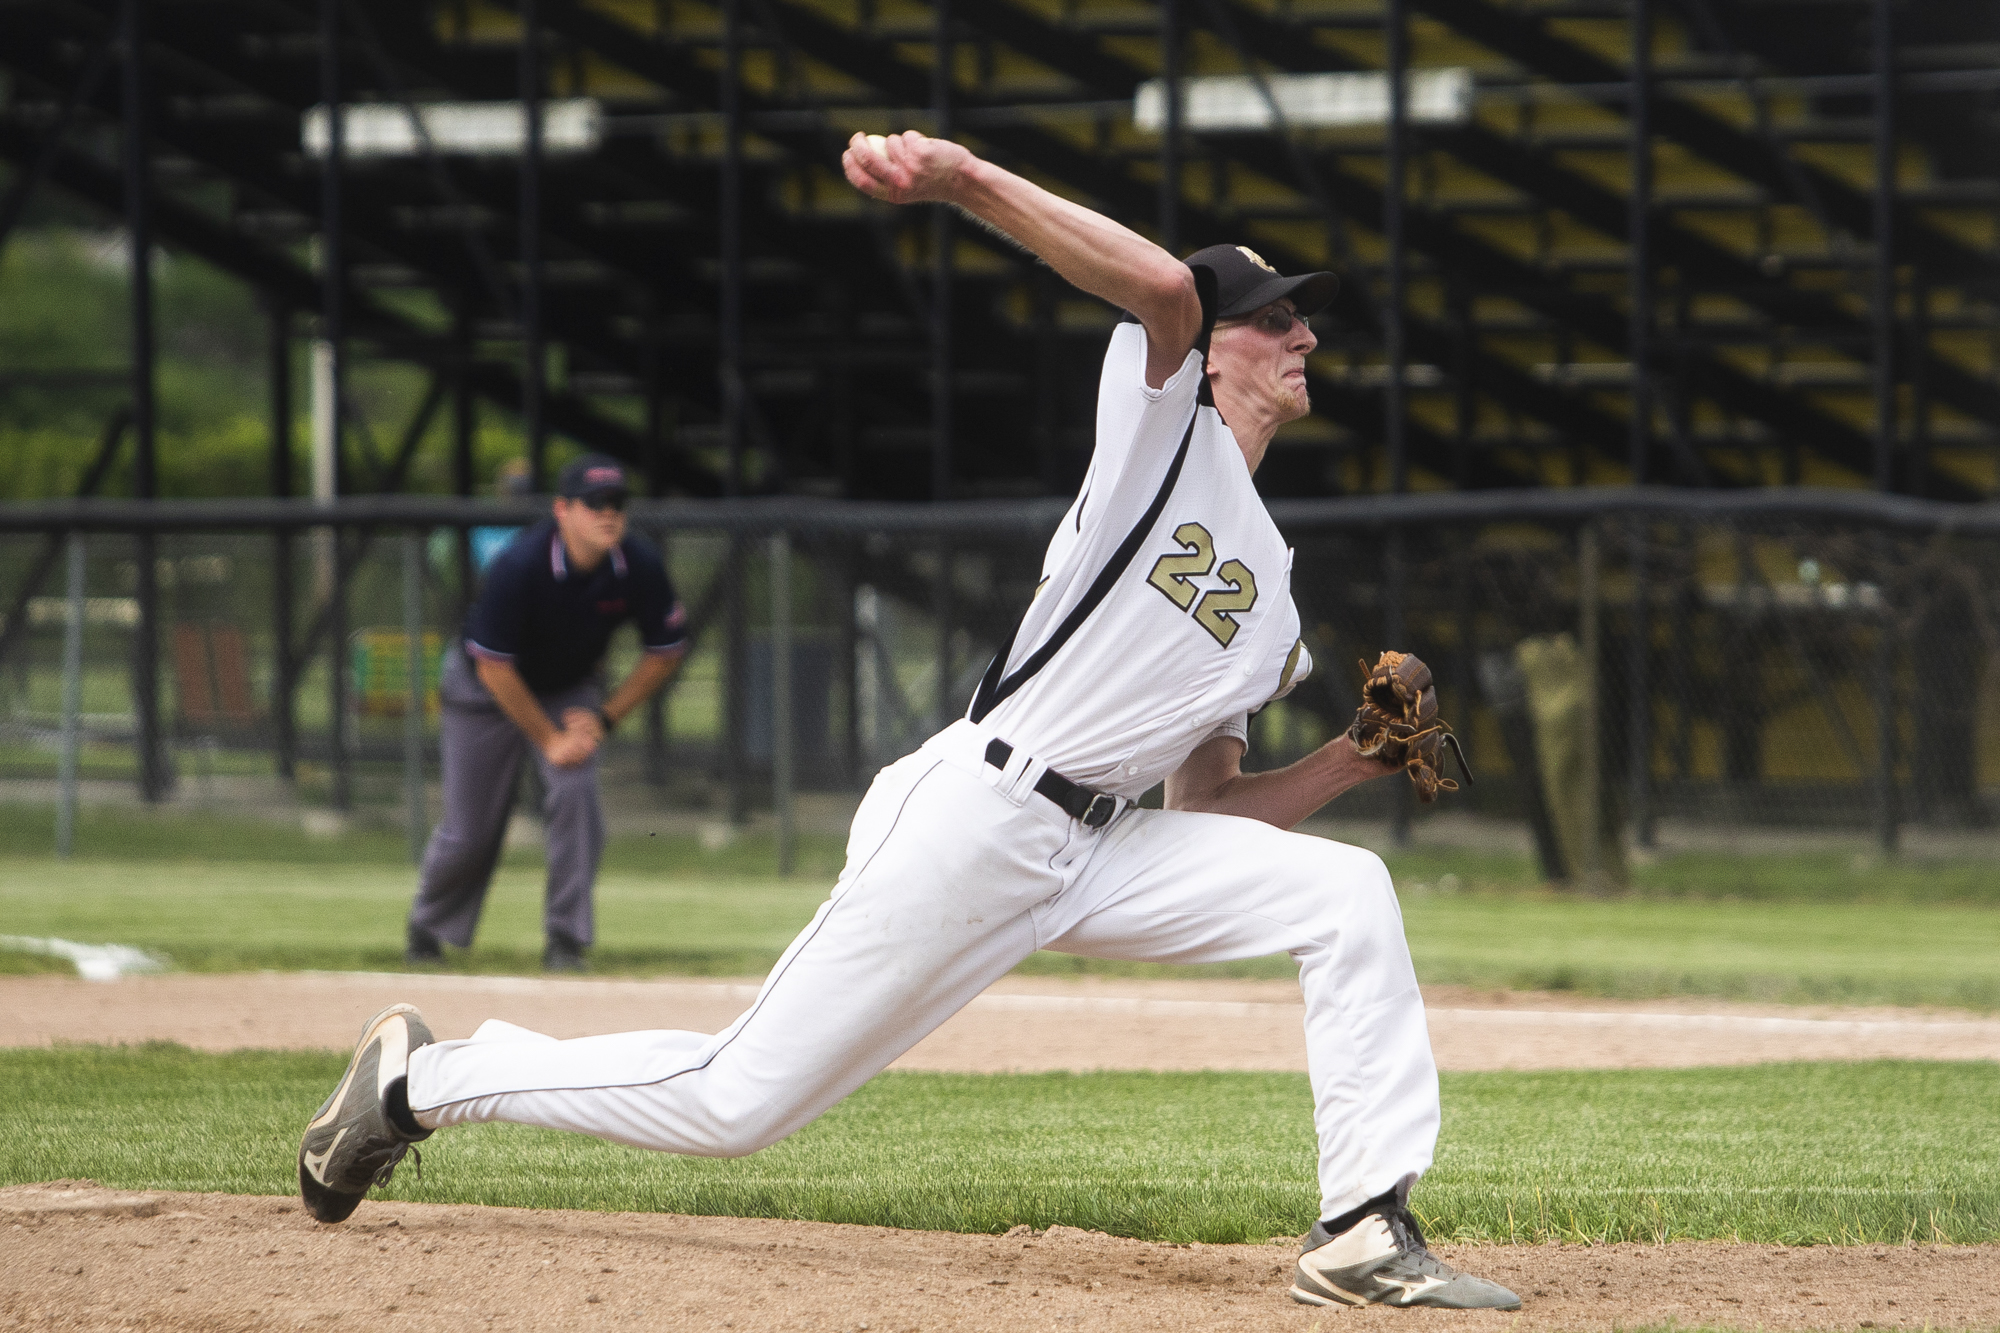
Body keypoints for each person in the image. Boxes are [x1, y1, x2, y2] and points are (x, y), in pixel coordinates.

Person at [299, 131, 1521, 1312]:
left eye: (1299, 316)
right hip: (981, 811)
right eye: (1273, 317)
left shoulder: (1277, 614)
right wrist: (959, 178)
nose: (1303, 332)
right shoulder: (1164, 435)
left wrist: (1349, 759)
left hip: (1097, 855)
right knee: (737, 1102)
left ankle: (1363, 1227)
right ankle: (422, 1082)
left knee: (1345, 892)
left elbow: (1205, 809)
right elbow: (1158, 285)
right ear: (1214, 352)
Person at [404, 454, 687, 973]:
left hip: (568, 686)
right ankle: (429, 925)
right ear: (562, 509)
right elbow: (494, 666)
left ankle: (565, 939)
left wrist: (604, 718)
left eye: (618, 504)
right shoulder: (521, 564)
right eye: (595, 504)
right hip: (483, 688)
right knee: (471, 828)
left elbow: (666, 649)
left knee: (575, 791)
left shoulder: (637, 564)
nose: (609, 514)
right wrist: (548, 738)